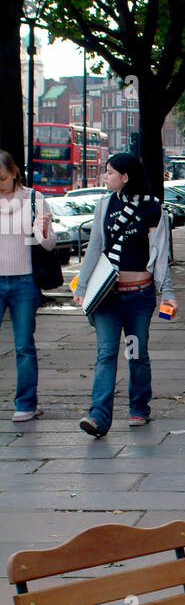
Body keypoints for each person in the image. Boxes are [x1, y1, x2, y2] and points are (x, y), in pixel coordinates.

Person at [74, 153, 176, 438]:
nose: (105, 177)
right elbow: (95, 248)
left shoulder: (153, 209)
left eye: (109, 172)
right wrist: (82, 288)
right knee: (106, 353)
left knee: (135, 352)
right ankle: (98, 416)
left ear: (126, 176)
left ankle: (139, 406)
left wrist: (167, 292)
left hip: (138, 297)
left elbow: (160, 255)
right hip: (107, 297)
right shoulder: (104, 204)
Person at [0, 149, 57, 422]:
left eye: (1, 177)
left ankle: (25, 403)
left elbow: (48, 244)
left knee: (23, 344)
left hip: (24, 281)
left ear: (14, 173)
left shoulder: (34, 198)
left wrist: (42, 229)